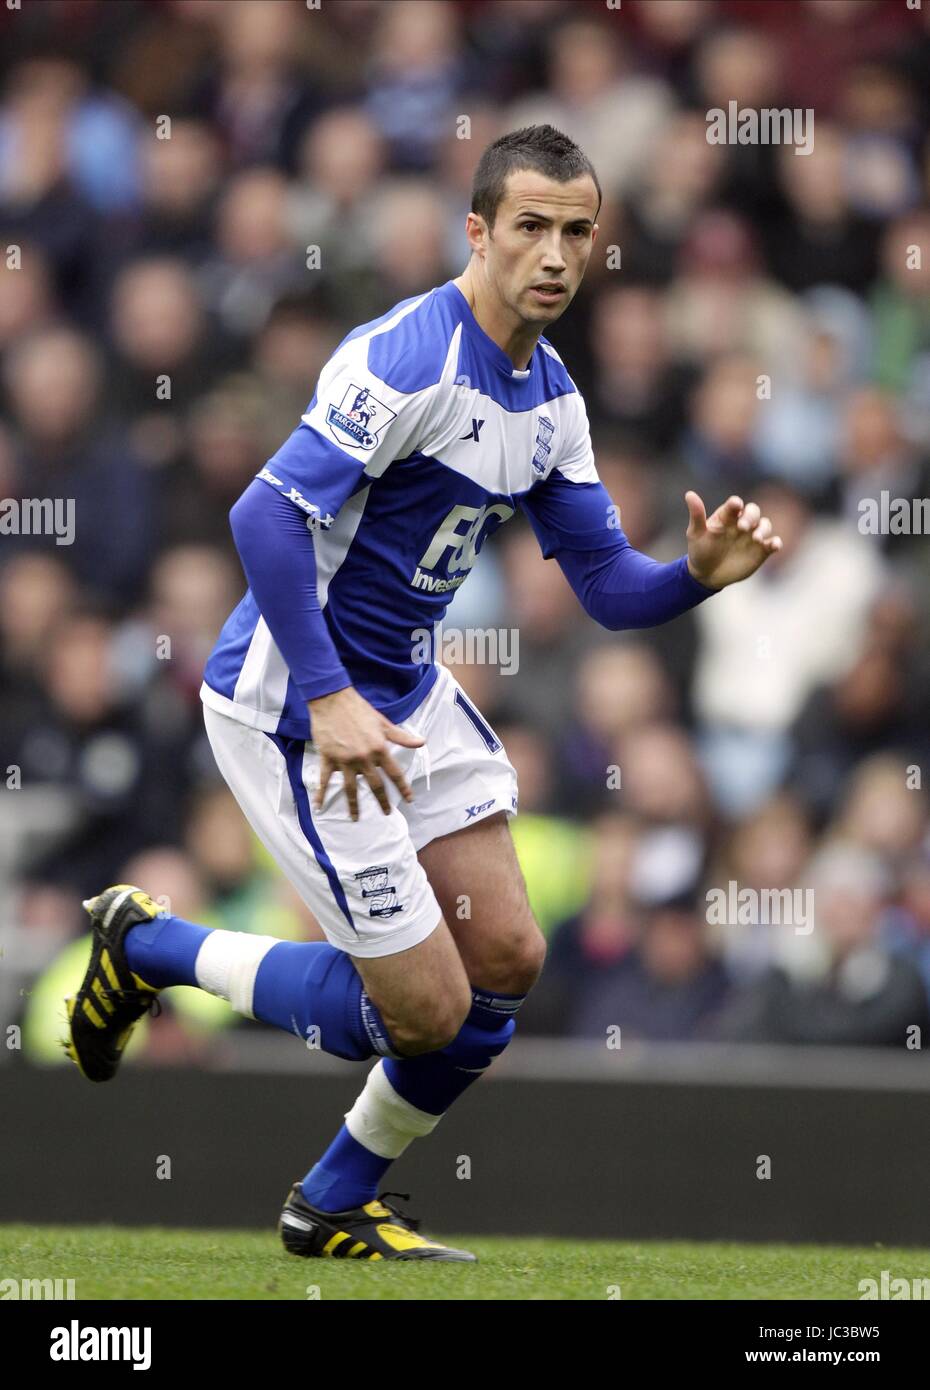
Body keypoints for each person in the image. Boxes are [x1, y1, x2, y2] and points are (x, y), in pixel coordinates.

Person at [62, 125, 781, 1264]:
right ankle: (147, 953)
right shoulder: (408, 357)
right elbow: (263, 515)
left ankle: (331, 1201)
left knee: (506, 957)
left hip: (403, 688)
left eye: (578, 232)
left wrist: (694, 577)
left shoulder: (552, 400)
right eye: (532, 227)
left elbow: (603, 584)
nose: (555, 253)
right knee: (418, 1015)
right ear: (478, 231)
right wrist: (329, 694)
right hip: (295, 704)